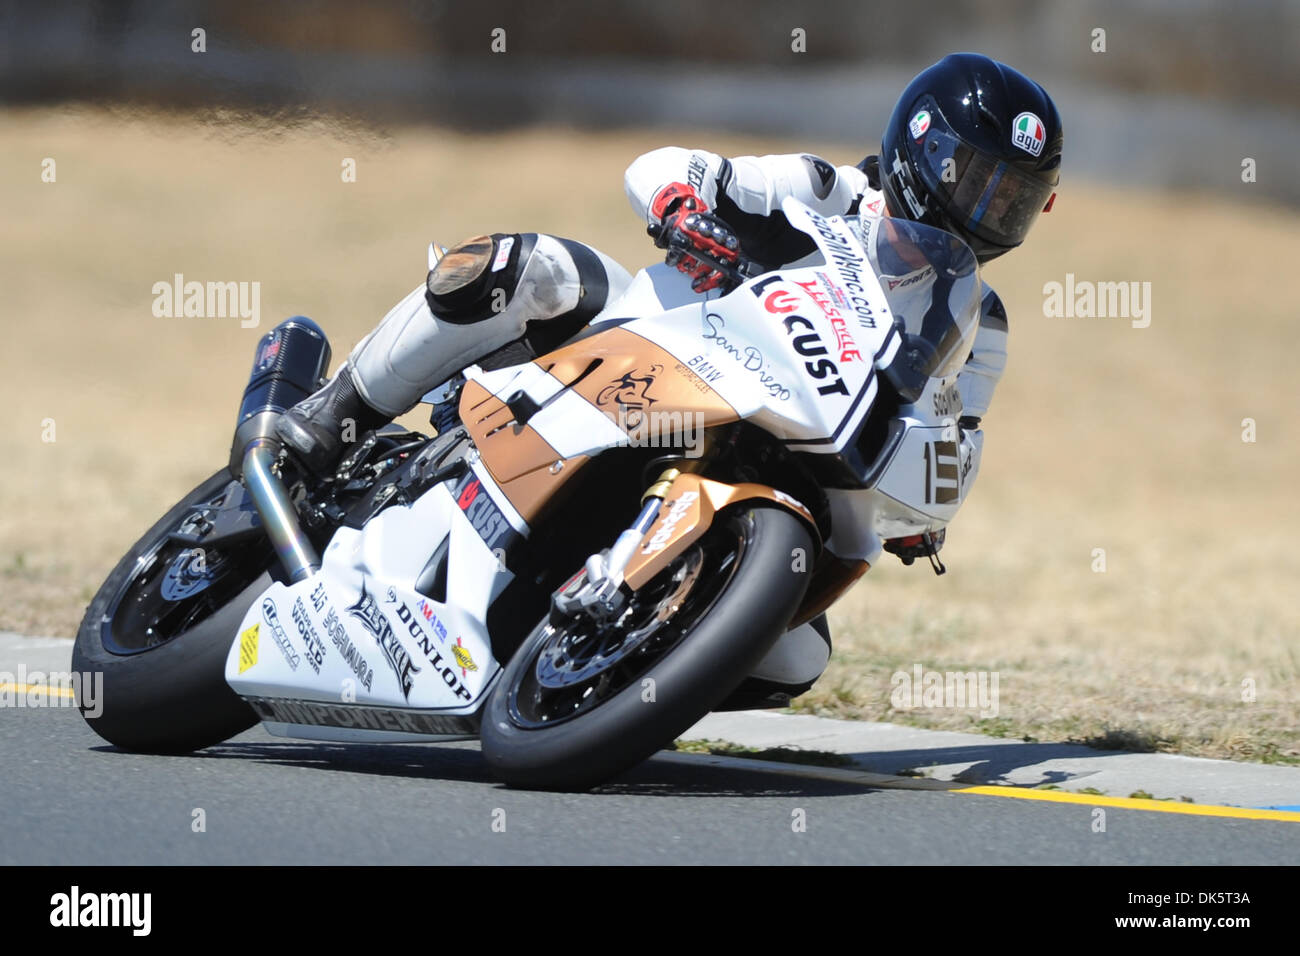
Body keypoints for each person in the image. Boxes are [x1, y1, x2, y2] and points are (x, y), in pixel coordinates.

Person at [275, 52, 1063, 701]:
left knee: (795, 657)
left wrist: (924, 512)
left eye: (1014, 201)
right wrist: (683, 207)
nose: (989, 212)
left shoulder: (977, 322)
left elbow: (960, 431)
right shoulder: (826, 193)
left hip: (787, 443)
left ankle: (609, 669)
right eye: (977, 183)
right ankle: (328, 417)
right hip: (634, 352)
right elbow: (666, 165)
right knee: (535, 270)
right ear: (921, 152)